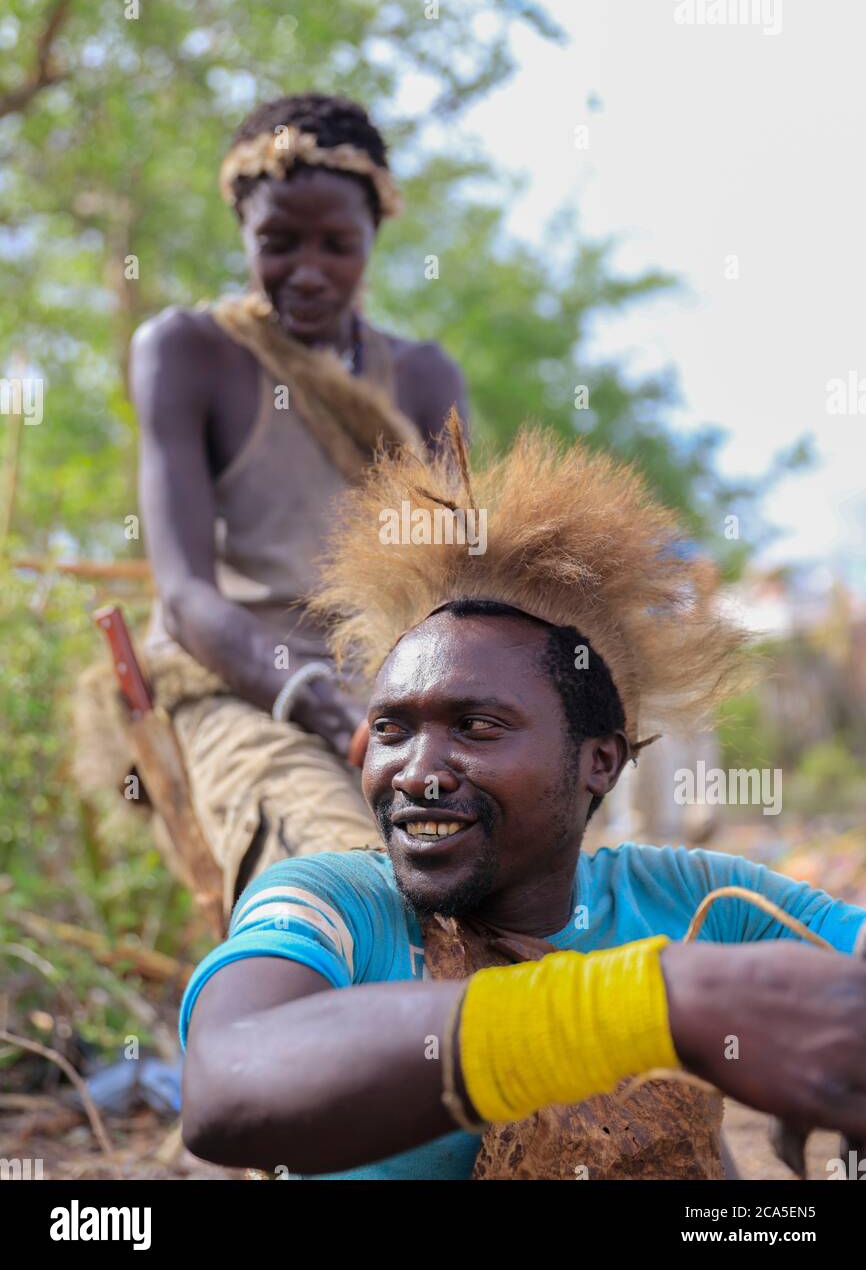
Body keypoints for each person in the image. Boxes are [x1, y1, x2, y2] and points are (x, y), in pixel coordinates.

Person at [178, 420, 866, 1179]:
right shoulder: (337, 907)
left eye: (476, 725)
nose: (418, 771)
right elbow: (224, 1086)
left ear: (597, 762)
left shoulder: (692, 899)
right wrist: (657, 1004)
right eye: (392, 729)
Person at [127, 92, 467, 912]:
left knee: (502, 898)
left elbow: (454, 580)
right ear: (243, 230)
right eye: (278, 243)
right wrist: (318, 701)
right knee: (355, 893)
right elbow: (184, 593)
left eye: (336, 246)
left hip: (394, 698)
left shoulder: (421, 377)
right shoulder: (189, 353)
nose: (308, 271)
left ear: (373, 241)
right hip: (243, 690)